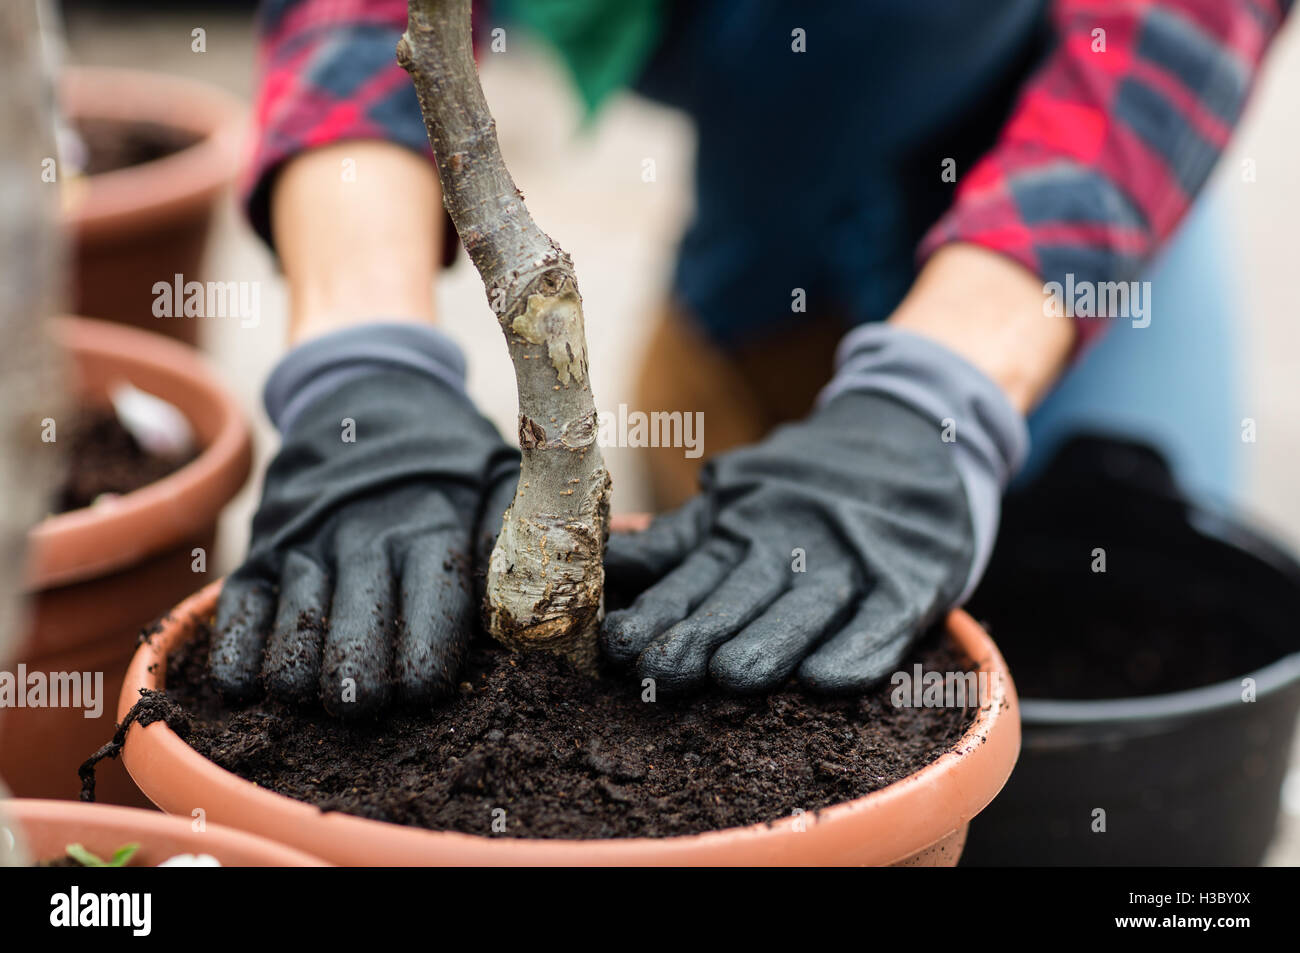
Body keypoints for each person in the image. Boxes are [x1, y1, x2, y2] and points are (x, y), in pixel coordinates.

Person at [209, 0, 1291, 715]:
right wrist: (361, 360)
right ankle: (767, 285)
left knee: (1125, 607)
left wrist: (939, 392)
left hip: (1052, 76)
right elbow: (354, 25)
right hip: (760, 72)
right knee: (717, 623)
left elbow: (1178, 28)